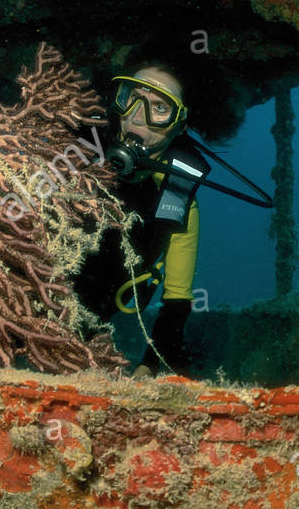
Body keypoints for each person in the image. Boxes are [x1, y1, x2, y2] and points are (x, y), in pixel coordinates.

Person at [75, 60, 208, 379]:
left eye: (159, 107)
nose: (137, 115)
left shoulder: (178, 200)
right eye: (131, 97)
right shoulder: (77, 151)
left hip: (99, 314)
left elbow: (177, 298)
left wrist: (149, 364)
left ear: (179, 124)